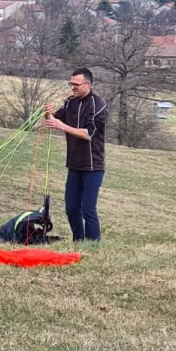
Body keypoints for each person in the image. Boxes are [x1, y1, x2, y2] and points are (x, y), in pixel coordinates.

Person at [42, 68, 107, 243]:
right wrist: (47, 112)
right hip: (74, 165)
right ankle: (78, 241)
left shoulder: (98, 104)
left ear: (88, 84)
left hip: (93, 166)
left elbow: (89, 134)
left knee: (88, 209)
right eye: (71, 84)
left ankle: (93, 245)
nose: (73, 88)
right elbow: (53, 120)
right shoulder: (70, 102)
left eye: (76, 85)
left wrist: (61, 126)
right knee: (71, 207)